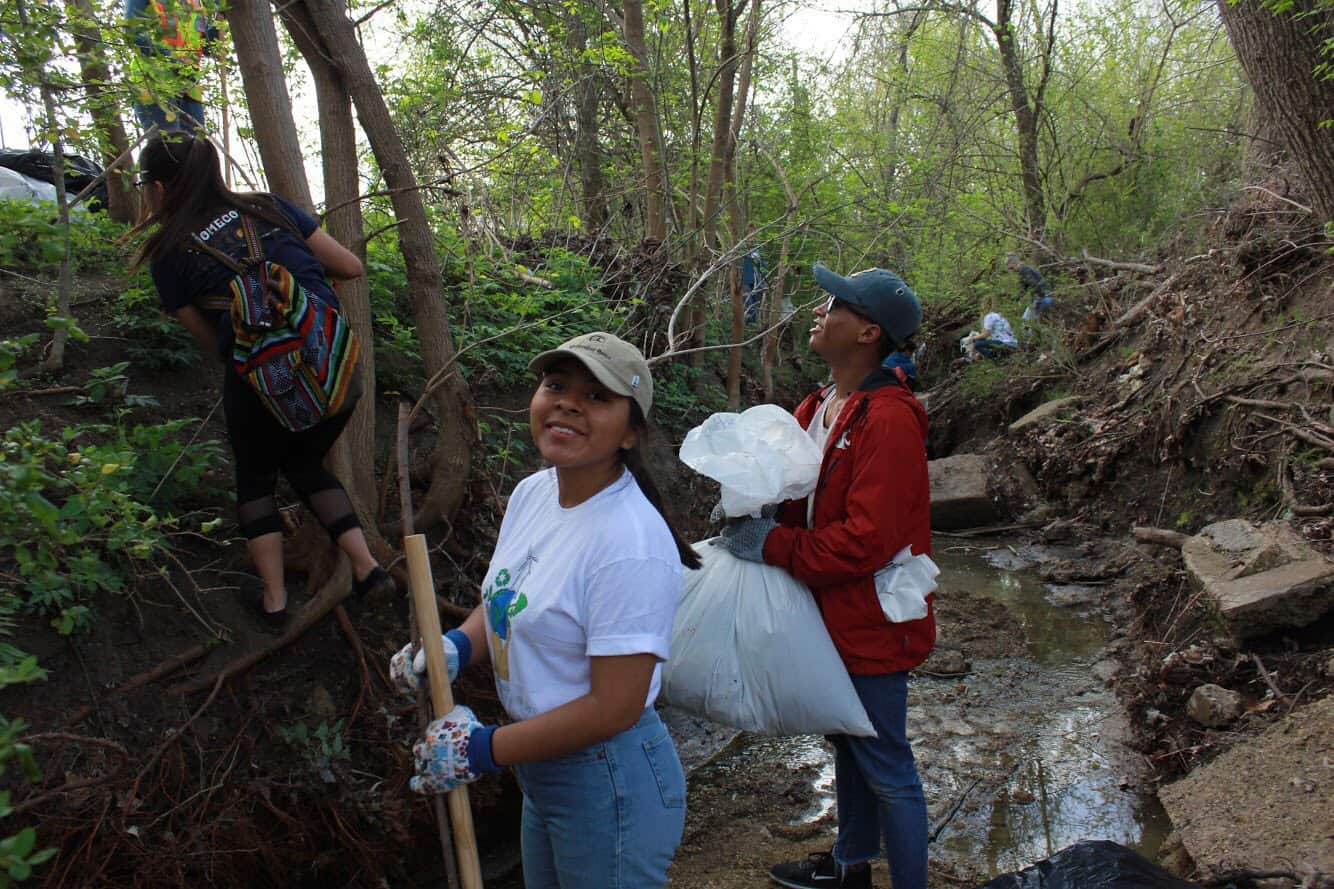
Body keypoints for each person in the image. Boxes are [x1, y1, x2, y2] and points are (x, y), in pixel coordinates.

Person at [391, 332, 699, 889]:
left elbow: (614, 707)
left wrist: (479, 749)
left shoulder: (627, 543)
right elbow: (510, 600)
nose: (567, 403)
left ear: (631, 432)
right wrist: (456, 647)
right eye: (555, 386)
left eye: (598, 396)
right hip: (541, 771)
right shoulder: (535, 493)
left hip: (608, 781)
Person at [714, 263, 935, 889]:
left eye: (834, 303)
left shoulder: (888, 418)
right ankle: (849, 868)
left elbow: (868, 541)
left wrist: (775, 544)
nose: (819, 310)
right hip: (827, 612)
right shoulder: (823, 403)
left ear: (868, 333)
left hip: (872, 618)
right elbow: (794, 489)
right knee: (848, 742)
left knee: (886, 761)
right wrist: (747, 502)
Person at [131, 133, 393, 629]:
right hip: (337, 374)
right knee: (302, 461)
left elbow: (211, 344)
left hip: (259, 388)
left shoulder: (168, 252)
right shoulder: (270, 208)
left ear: (160, 187)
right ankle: (367, 566)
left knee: (255, 477)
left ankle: (274, 602)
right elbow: (352, 268)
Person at [125, 0, 218, 133]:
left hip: (190, 90)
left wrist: (220, 20)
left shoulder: (196, 2)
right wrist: (173, 61)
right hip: (154, 85)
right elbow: (133, 35)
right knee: (170, 148)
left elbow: (207, 47)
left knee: (198, 148)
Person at [1006, 254, 1054, 320]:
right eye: (1010, 269)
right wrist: (1012, 298)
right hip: (1046, 297)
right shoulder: (1026, 270)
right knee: (1031, 322)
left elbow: (1035, 284)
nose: (1012, 271)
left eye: (1011, 268)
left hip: (1043, 299)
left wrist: (1037, 299)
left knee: (1026, 323)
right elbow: (1023, 291)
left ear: (1015, 263)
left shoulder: (1024, 271)